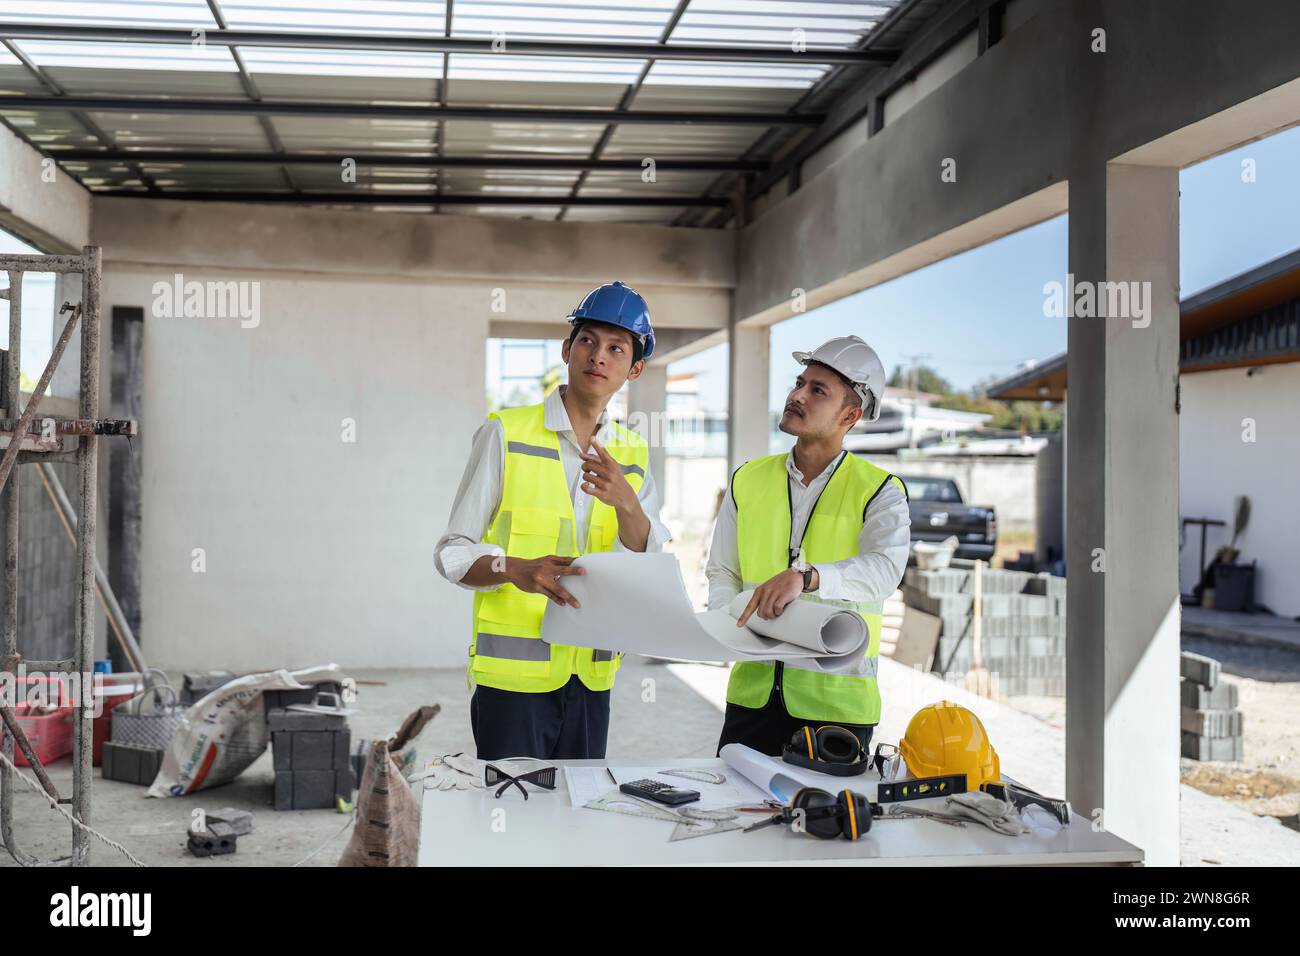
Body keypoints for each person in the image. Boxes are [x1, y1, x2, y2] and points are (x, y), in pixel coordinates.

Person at [435, 281, 670, 761]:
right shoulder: (506, 433)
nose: (598, 356)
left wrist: (628, 503)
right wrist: (512, 569)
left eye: (616, 348)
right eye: (587, 340)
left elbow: (645, 558)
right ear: (567, 348)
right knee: (511, 818)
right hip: (513, 680)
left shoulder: (633, 453)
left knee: (575, 818)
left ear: (635, 367)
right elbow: (453, 550)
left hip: (592, 672)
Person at [706, 335, 911, 756]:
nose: (797, 395)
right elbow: (723, 570)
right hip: (752, 698)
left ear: (850, 414)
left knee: (823, 821)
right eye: (800, 383)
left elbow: (884, 572)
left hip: (836, 708)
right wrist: (723, 626)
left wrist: (809, 577)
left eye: (818, 391)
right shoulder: (747, 478)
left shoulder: (880, 491)